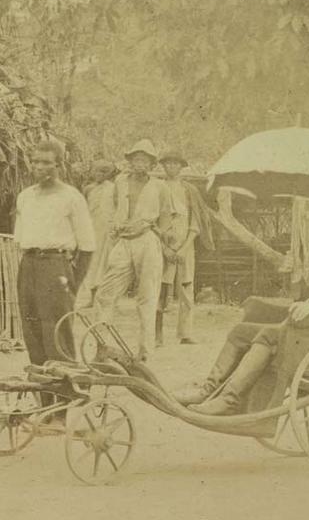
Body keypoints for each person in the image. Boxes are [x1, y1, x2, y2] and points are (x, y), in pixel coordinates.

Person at [175, 206, 309, 416]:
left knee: (268, 334)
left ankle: (230, 400)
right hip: (307, 330)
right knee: (240, 332)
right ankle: (208, 390)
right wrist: (291, 270)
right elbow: (305, 295)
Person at [11, 139, 95, 379]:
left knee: (57, 333)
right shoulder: (25, 197)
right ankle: (44, 404)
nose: (39, 167)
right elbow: (21, 238)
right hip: (28, 266)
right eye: (35, 161)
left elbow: (87, 246)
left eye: (46, 163)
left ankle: (61, 410)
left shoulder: (71, 197)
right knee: (32, 331)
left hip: (56, 267)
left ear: (58, 164)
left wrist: (72, 286)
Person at [93, 140, 174, 360]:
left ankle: (145, 352)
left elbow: (167, 215)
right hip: (123, 240)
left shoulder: (160, 186)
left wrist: (160, 236)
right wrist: (115, 228)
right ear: (130, 161)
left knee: (147, 297)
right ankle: (103, 348)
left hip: (147, 239)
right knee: (105, 294)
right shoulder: (119, 182)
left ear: (151, 164)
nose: (140, 164)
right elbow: (113, 208)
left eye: (144, 160)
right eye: (136, 159)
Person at [156, 150, 211, 347]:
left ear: (181, 166)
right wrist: (165, 248)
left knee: (187, 289)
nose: (171, 167)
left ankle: (185, 333)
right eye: (167, 164)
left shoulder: (189, 190)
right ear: (163, 166)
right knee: (161, 289)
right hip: (163, 246)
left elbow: (195, 223)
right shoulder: (156, 187)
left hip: (185, 246)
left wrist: (184, 248)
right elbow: (152, 220)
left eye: (175, 164)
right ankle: (157, 335)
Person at [74, 161, 117, 310]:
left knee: (105, 264)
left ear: (108, 174)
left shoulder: (114, 189)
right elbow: (83, 210)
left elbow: (117, 208)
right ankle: (91, 298)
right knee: (91, 265)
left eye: (104, 172)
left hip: (107, 231)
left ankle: (104, 300)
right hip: (92, 230)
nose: (100, 175)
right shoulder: (88, 189)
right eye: (97, 171)